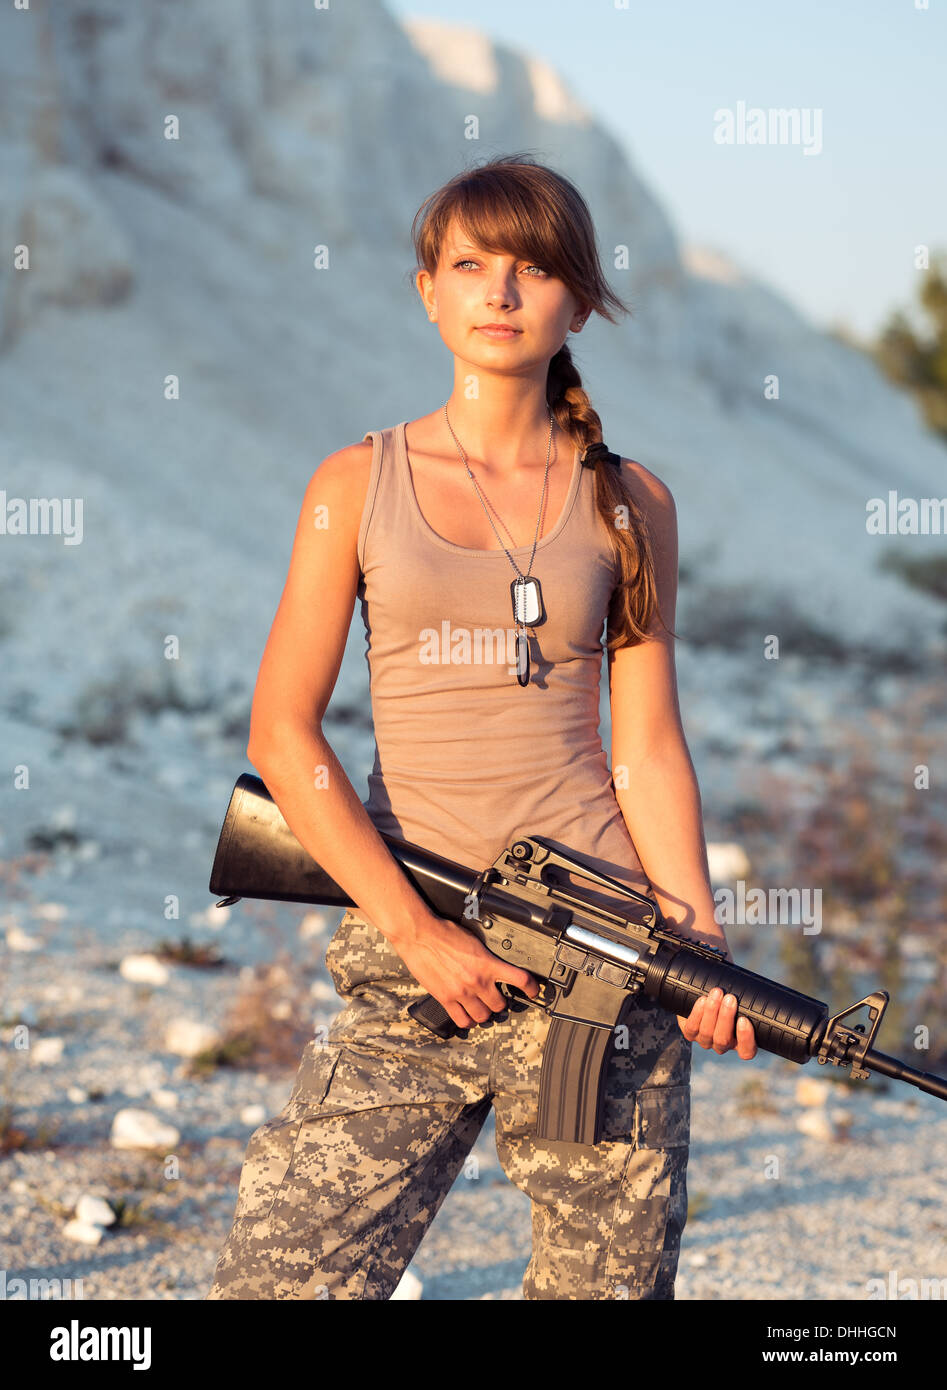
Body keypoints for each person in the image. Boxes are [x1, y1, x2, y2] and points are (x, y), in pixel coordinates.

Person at [206, 154, 757, 1303]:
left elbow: (645, 745)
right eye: (469, 266)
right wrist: (416, 935)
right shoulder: (355, 482)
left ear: (579, 299)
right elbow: (281, 731)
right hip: (417, 954)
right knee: (278, 1278)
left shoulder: (630, 501)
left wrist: (695, 943)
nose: (498, 292)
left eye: (531, 268)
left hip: (605, 956)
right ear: (427, 291)